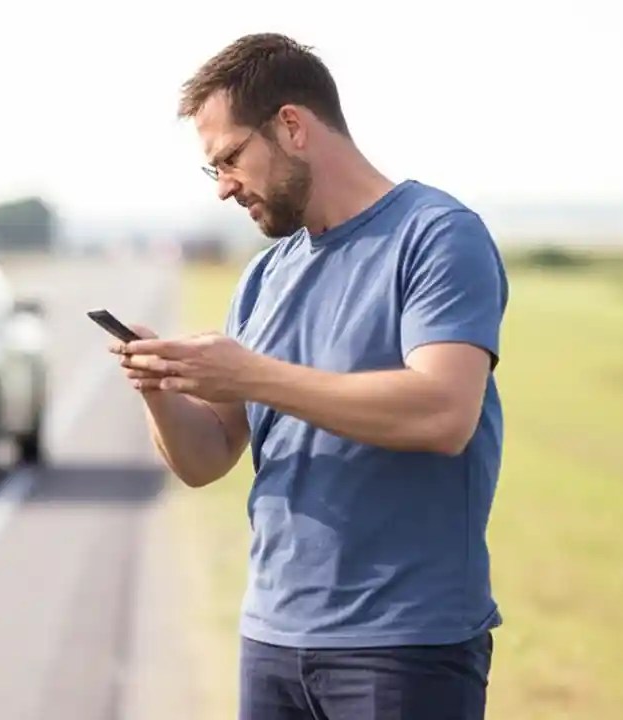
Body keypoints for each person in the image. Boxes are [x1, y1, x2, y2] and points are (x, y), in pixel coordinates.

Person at [110, 33, 509, 720]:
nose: (226, 187)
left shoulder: (437, 234)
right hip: (272, 639)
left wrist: (251, 375)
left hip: (405, 645)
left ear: (292, 126)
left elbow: (443, 413)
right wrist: (160, 389)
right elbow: (206, 460)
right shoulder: (266, 274)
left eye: (230, 159)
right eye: (216, 171)